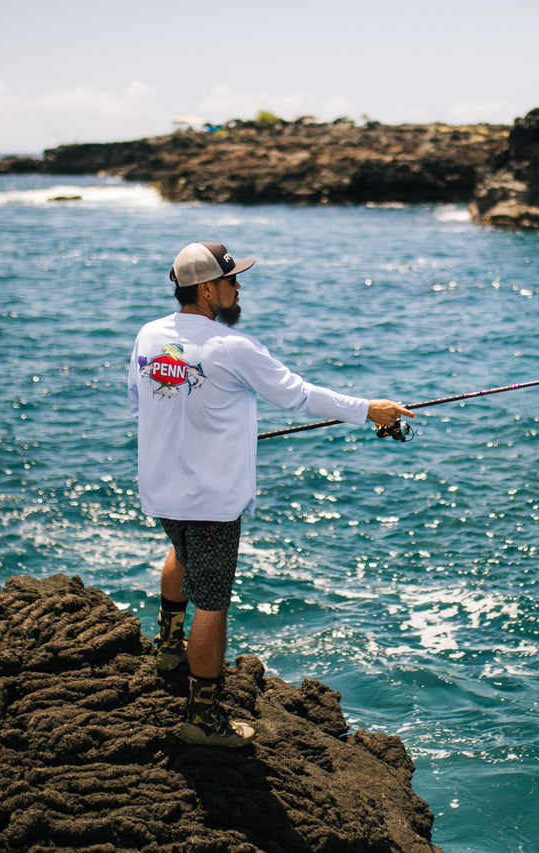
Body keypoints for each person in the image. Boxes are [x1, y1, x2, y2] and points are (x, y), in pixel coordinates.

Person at [128, 241, 414, 747]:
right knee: (212, 602)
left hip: (161, 489)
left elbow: (142, 404)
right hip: (211, 499)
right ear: (207, 288)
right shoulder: (232, 346)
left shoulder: (149, 336)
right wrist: (368, 408)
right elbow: (298, 395)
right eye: (232, 280)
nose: (239, 287)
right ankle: (203, 718)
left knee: (180, 550)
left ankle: (168, 647)